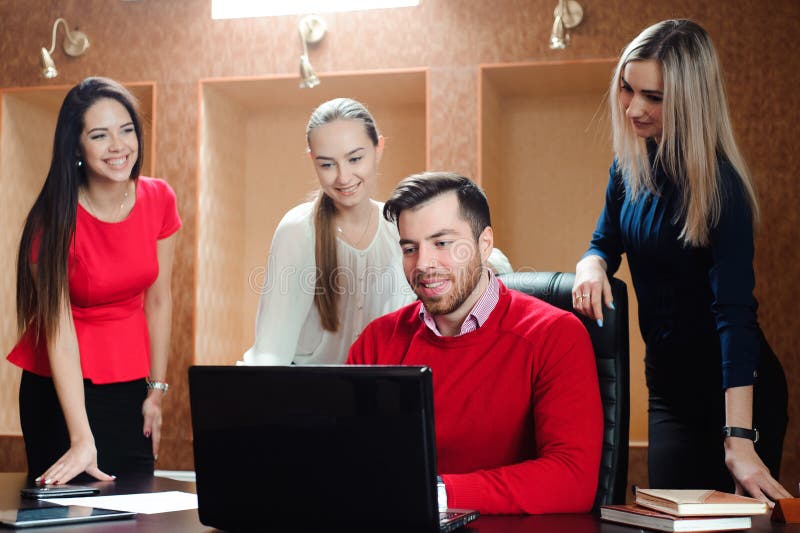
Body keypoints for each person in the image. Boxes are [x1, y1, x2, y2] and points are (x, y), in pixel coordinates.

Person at [572, 19, 790, 502]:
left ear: (691, 101)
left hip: (733, 393)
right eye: (627, 89)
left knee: (729, 526)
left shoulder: (722, 188)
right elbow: (604, 242)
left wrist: (739, 440)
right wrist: (591, 265)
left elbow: (735, 316)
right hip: (668, 389)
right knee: (670, 517)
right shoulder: (628, 168)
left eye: (653, 97)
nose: (633, 108)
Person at [348, 172, 602, 514]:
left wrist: (436, 496)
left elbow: (572, 480)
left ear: (484, 244)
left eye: (442, 243)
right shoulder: (377, 341)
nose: (423, 264)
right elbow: (345, 459)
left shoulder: (556, 335)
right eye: (410, 248)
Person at [8, 77, 181, 484]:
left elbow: (159, 300)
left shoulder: (159, 198)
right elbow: (59, 331)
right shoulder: (52, 220)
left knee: (135, 502)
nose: (118, 146)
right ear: (76, 147)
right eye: (100, 135)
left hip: (129, 379)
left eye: (126, 130)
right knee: (69, 509)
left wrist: (156, 391)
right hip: (60, 386)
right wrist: (81, 437)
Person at [242, 98, 413, 365]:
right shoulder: (298, 230)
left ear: (378, 148)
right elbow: (271, 352)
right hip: (308, 389)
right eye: (327, 164)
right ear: (313, 160)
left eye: (355, 159)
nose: (343, 177)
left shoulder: (401, 228)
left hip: (384, 388)